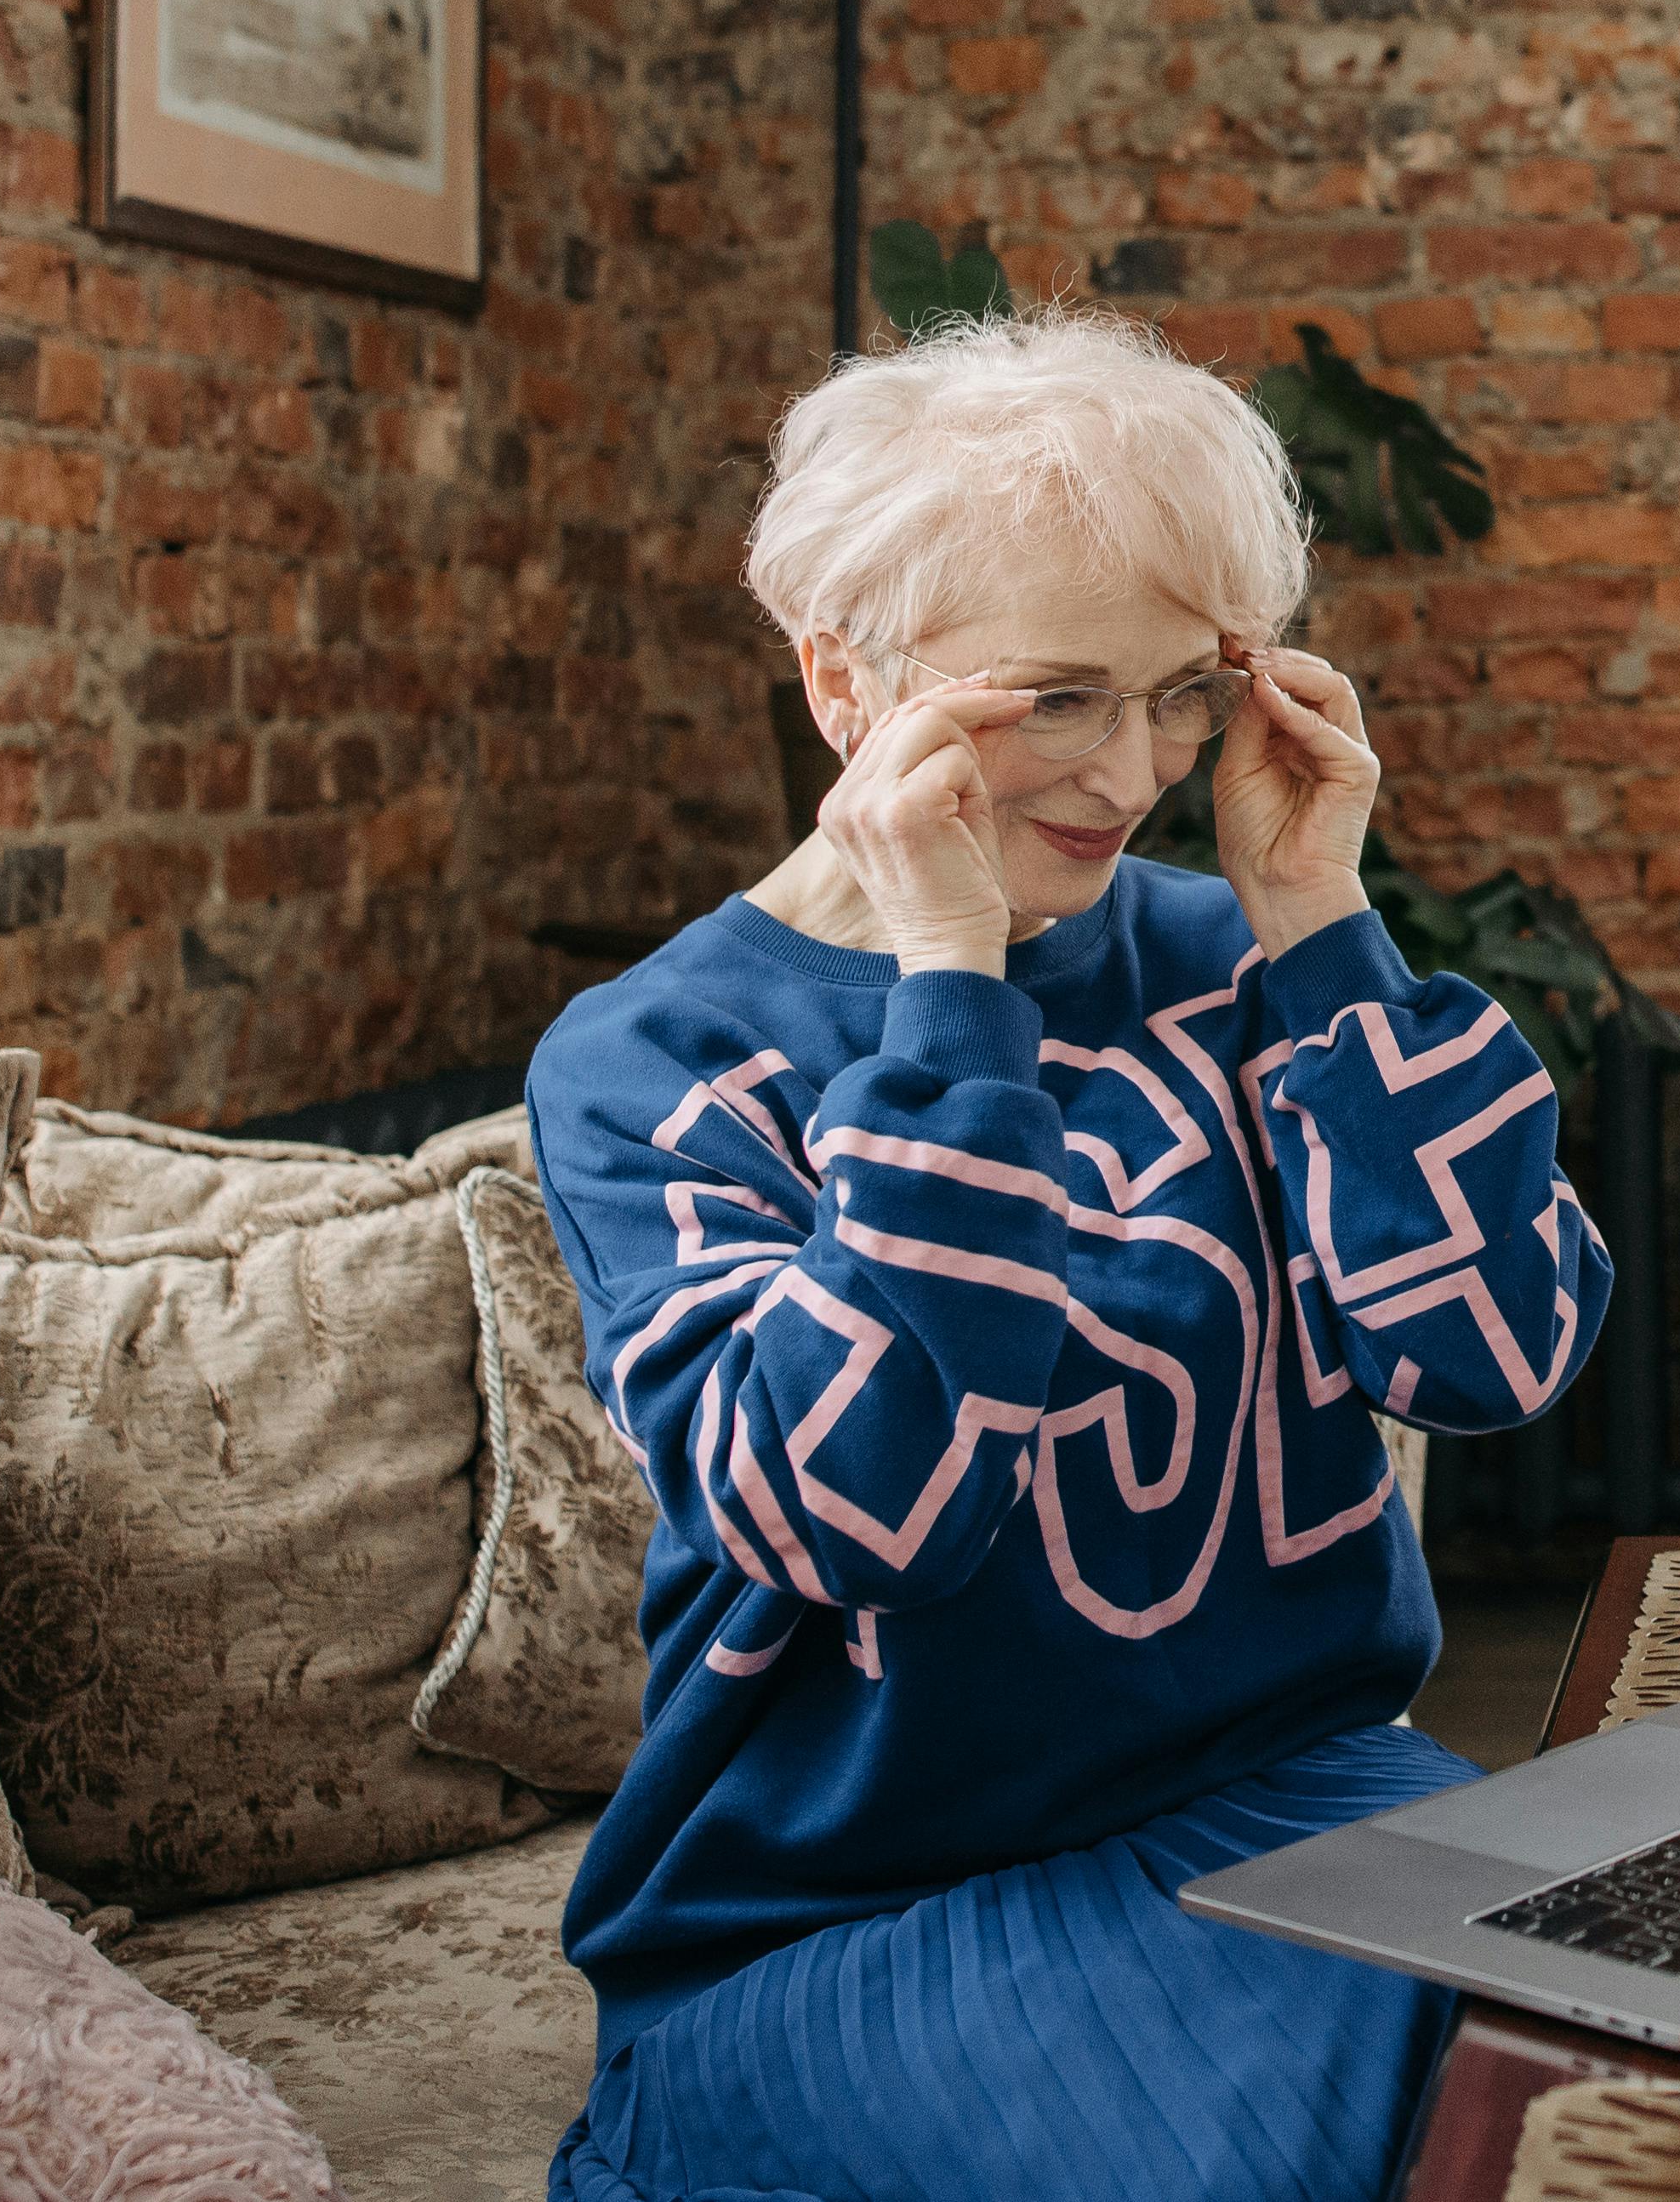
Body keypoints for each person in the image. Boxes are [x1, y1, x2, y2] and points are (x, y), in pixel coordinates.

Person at [529, 305, 1609, 2202]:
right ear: (842, 683)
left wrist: (1321, 921)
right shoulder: (656, 1062)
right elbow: (853, 1520)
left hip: (1303, 1805)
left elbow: (1496, 1353)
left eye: (1182, 694)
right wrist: (951, 990)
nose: (1132, 775)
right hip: (843, 1916)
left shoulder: (1230, 959)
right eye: (1057, 698)